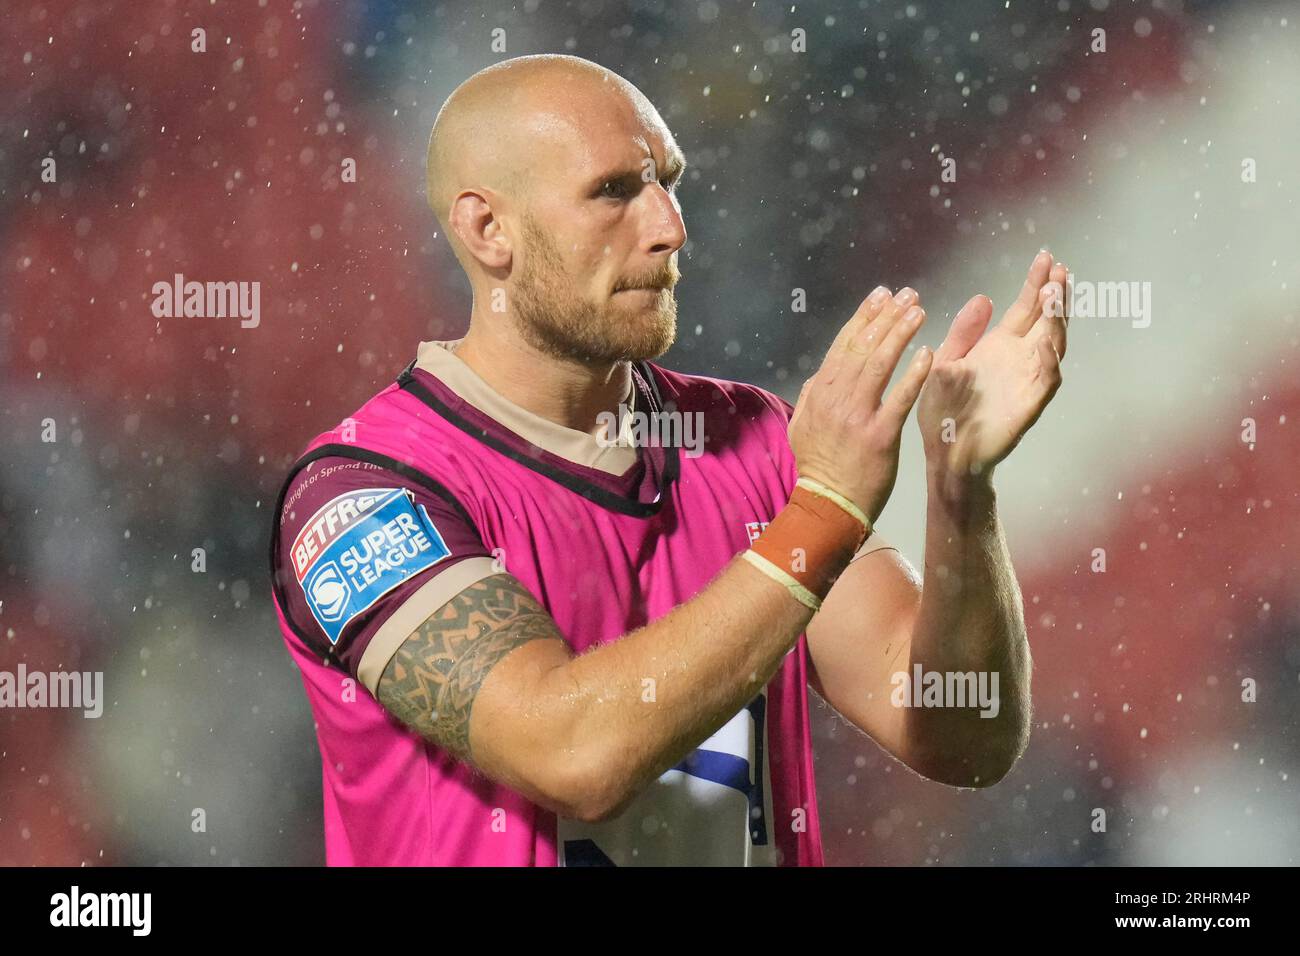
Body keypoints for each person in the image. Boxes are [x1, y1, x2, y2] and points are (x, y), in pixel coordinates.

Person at [268, 53, 1069, 866]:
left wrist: (963, 494)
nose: (669, 228)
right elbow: (571, 754)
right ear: (487, 230)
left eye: (668, 185)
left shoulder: (756, 441)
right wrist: (823, 510)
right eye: (613, 191)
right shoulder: (364, 494)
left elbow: (963, 735)